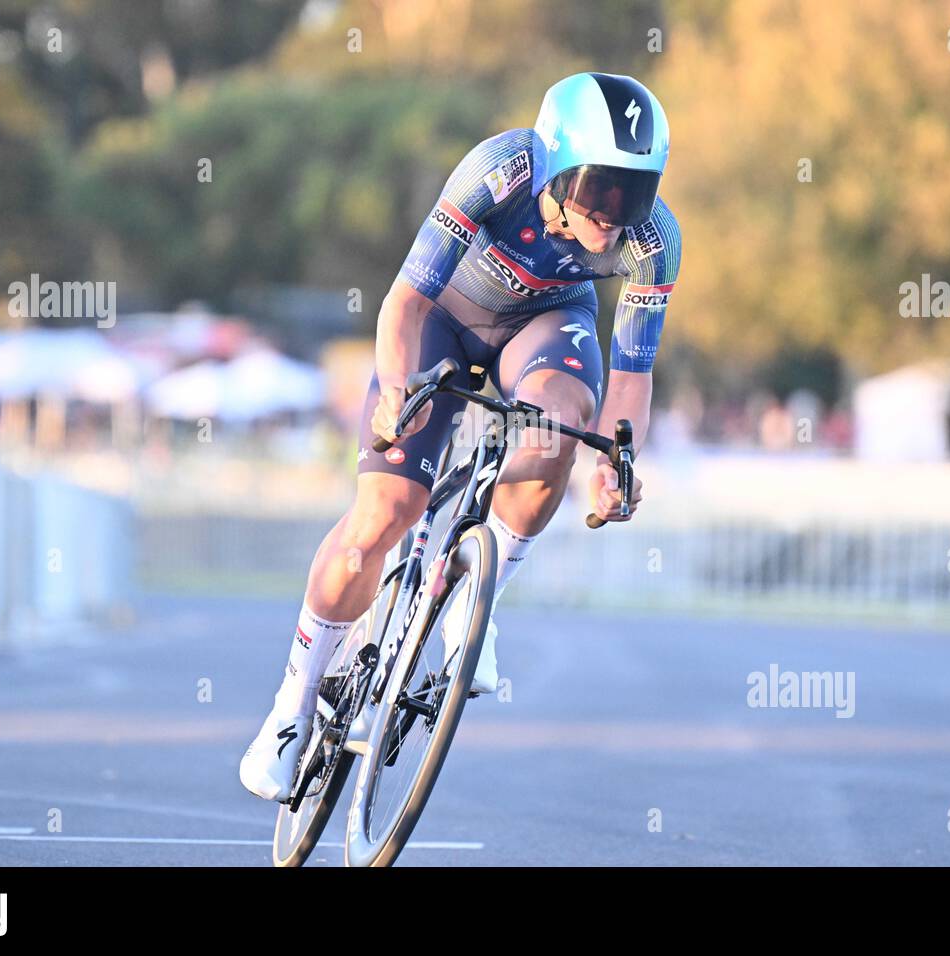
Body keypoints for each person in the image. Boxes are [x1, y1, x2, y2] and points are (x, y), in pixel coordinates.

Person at [241, 72, 682, 801]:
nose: (615, 216)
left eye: (633, 194)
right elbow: (406, 299)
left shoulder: (653, 240)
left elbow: (632, 375)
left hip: (545, 328)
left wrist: (617, 460)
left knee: (558, 430)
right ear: (554, 165)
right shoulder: (501, 169)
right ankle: (289, 710)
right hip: (443, 315)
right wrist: (393, 396)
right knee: (382, 515)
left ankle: (474, 601)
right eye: (600, 190)